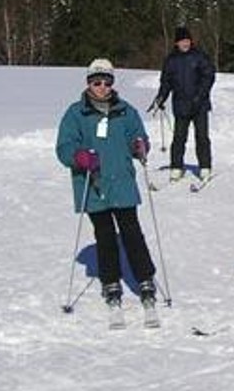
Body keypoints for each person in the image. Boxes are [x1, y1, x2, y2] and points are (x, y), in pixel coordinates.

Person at [55, 58, 158, 311]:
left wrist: (140, 146)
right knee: (105, 234)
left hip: (121, 181)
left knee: (132, 231)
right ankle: (110, 280)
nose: (102, 87)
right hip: (93, 185)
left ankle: (145, 277)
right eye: (96, 82)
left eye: (106, 82)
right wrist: (78, 156)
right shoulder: (76, 113)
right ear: (88, 83)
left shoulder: (126, 111)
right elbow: (63, 147)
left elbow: (139, 137)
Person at [150, 26, 216, 182]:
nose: (185, 43)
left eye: (187, 40)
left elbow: (209, 77)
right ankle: (176, 167)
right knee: (179, 138)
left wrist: (200, 96)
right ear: (176, 43)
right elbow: (166, 82)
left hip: (199, 105)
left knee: (202, 137)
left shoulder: (199, 57)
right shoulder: (171, 60)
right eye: (181, 41)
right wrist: (160, 98)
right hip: (181, 105)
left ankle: (205, 167)